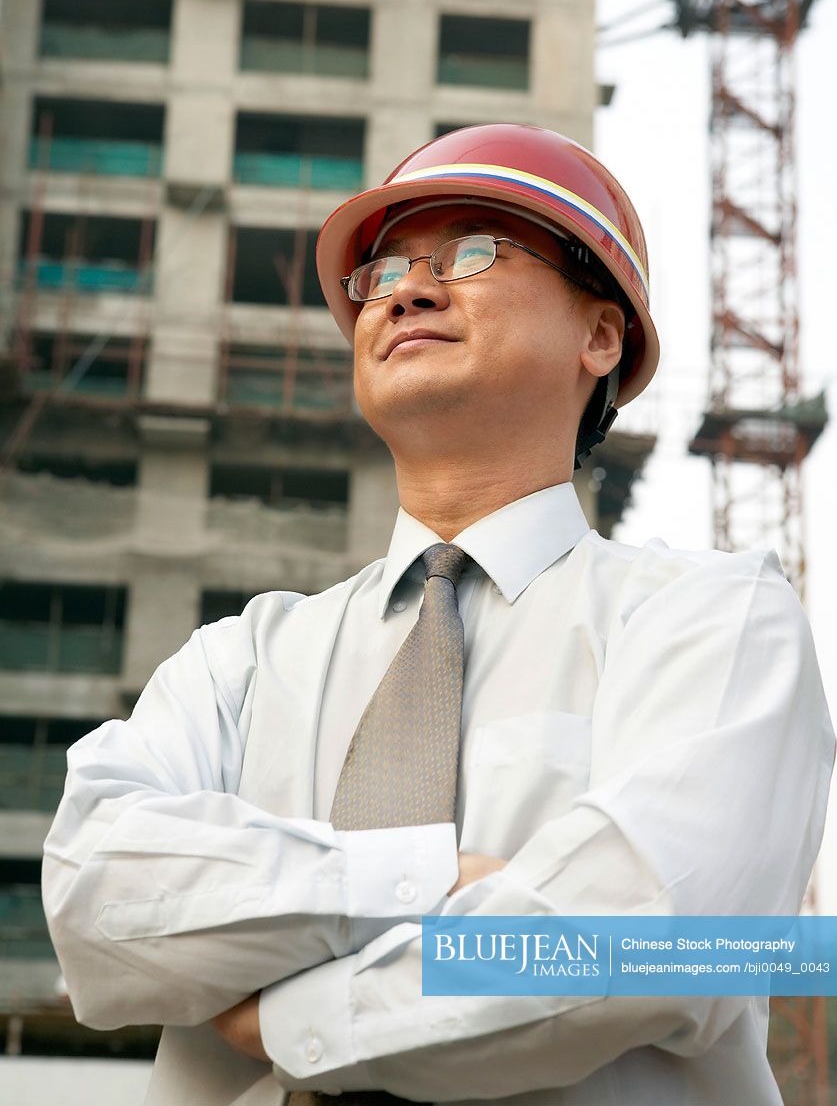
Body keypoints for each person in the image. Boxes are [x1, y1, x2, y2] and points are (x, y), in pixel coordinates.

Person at [42, 124, 834, 1106]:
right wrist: (437, 879)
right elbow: (97, 892)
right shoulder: (239, 660)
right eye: (381, 272)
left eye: (470, 253)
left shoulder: (716, 622)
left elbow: (647, 941)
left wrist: (282, 1011)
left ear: (601, 334)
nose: (407, 290)